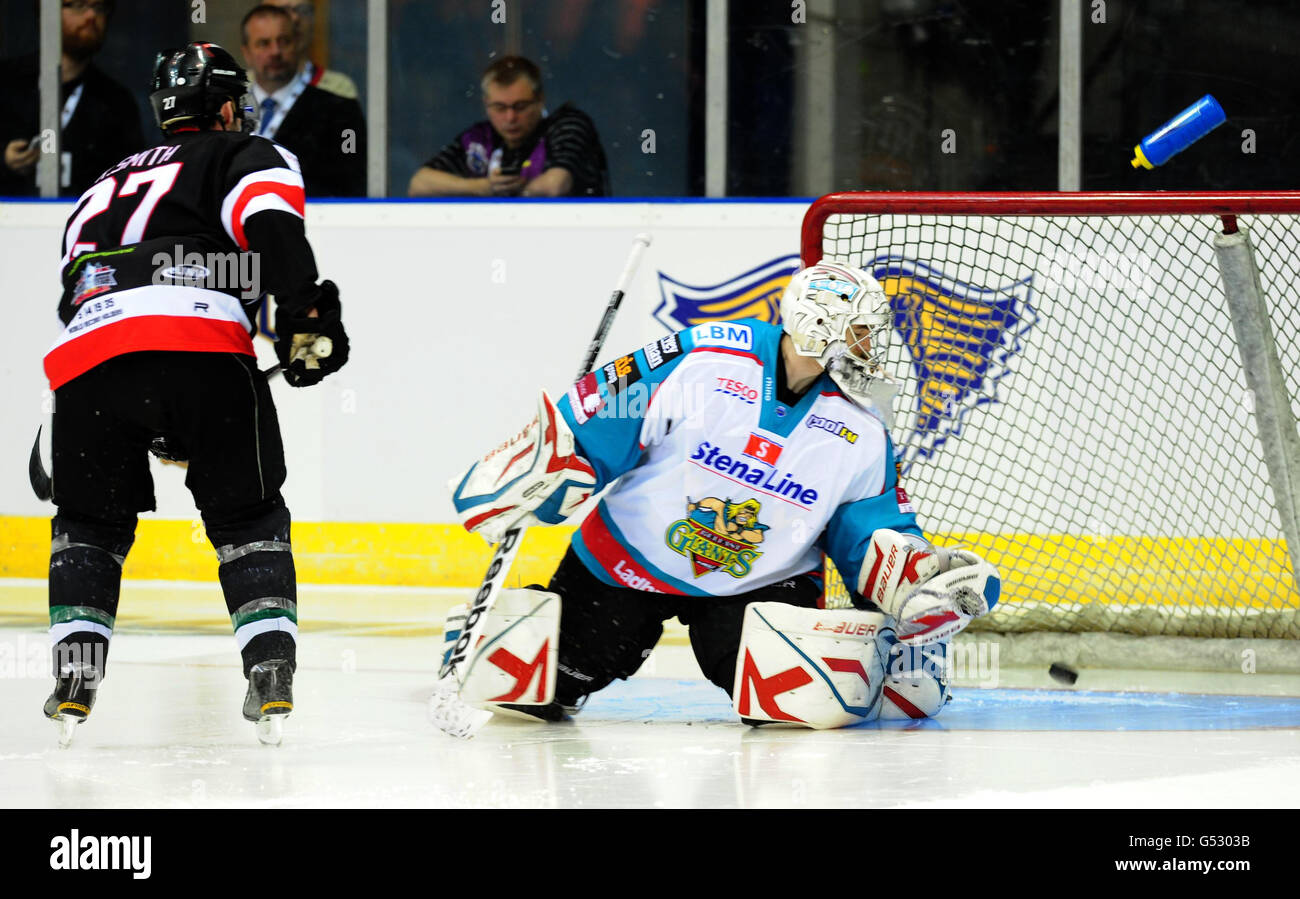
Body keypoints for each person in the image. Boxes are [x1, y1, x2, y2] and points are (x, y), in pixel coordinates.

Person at [442, 263, 1000, 730]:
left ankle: (892, 660)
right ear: (816, 328)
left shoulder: (864, 425)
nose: (870, 349)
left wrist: (916, 571)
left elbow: (868, 526)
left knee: (799, 702)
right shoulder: (702, 357)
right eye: (859, 332)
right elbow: (605, 414)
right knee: (531, 686)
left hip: (761, 582)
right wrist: (553, 462)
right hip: (629, 560)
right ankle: (513, 633)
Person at [41, 41, 350, 747]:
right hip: (203, 347)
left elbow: (81, 297)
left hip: (89, 361)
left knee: (88, 523)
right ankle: (270, 669)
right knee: (248, 516)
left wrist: (137, 404)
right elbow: (270, 229)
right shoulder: (245, 152)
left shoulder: (99, 186)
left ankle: (75, 674)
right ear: (231, 104)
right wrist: (307, 318)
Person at [408, 56, 608, 198]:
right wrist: (482, 186)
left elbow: (555, 185)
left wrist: (507, 189)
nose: (510, 117)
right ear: (486, 104)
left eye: (520, 106)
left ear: (540, 100)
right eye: (499, 107)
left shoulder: (568, 125)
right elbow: (419, 184)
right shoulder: (481, 138)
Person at [0, 0, 143, 197]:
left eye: (100, 7)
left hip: (84, 223)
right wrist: (4, 160)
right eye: (76, 4)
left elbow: (131, 183)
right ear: (46, 13)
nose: (91, 16)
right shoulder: (7, 83)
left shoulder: (116, 102)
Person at [241, 4, 366, 197]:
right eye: (264, 44)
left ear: (297, 43)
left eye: (284, 41)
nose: (275, 52)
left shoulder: (340, 111)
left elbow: (351, 184)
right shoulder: (228, 110)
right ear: (246, 53)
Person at [263, 0, 360, 100]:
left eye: (303, 10)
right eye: (283, 11)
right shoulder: (248, 89)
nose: (295, 18)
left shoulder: (339, 88)